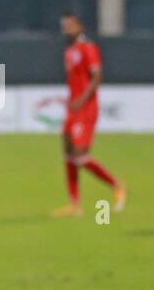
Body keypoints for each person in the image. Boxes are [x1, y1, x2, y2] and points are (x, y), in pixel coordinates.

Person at [51, 12, 125, 217]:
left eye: (69, 25)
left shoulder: (88, 49)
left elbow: (96, 78)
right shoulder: (69, 51)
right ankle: (74, 204)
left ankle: (116, 186)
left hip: (85, 109)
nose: (65, 29)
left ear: (80, 27)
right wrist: (70, 102)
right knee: (67, 152)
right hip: (73, 108)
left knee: (80, 156)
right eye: (63, 25)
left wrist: (81, 101)